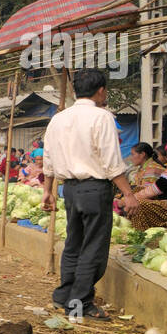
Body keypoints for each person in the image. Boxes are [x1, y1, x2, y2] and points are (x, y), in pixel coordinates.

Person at [41, 69, 135, 320]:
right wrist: (128, 193)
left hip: (69, 189)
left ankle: (64, 296)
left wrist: (47, 191)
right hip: (95, 189)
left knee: (74, 244)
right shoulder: (102, 117)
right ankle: (80, 302)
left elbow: (48, 160)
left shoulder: (58, 119)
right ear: (101, 90)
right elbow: (112, 162)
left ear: (74, 91)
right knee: (93, 247)